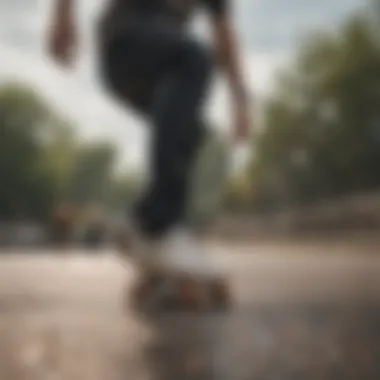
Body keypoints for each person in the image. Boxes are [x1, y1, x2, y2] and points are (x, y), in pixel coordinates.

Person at [48, 0, 251, 276]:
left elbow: (224, 37)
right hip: (124, 44)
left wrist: (240, 99)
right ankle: (161, 227)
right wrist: (63, 17)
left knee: (191, 129)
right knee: (194, 58)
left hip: (160, 66)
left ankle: (143, 224)